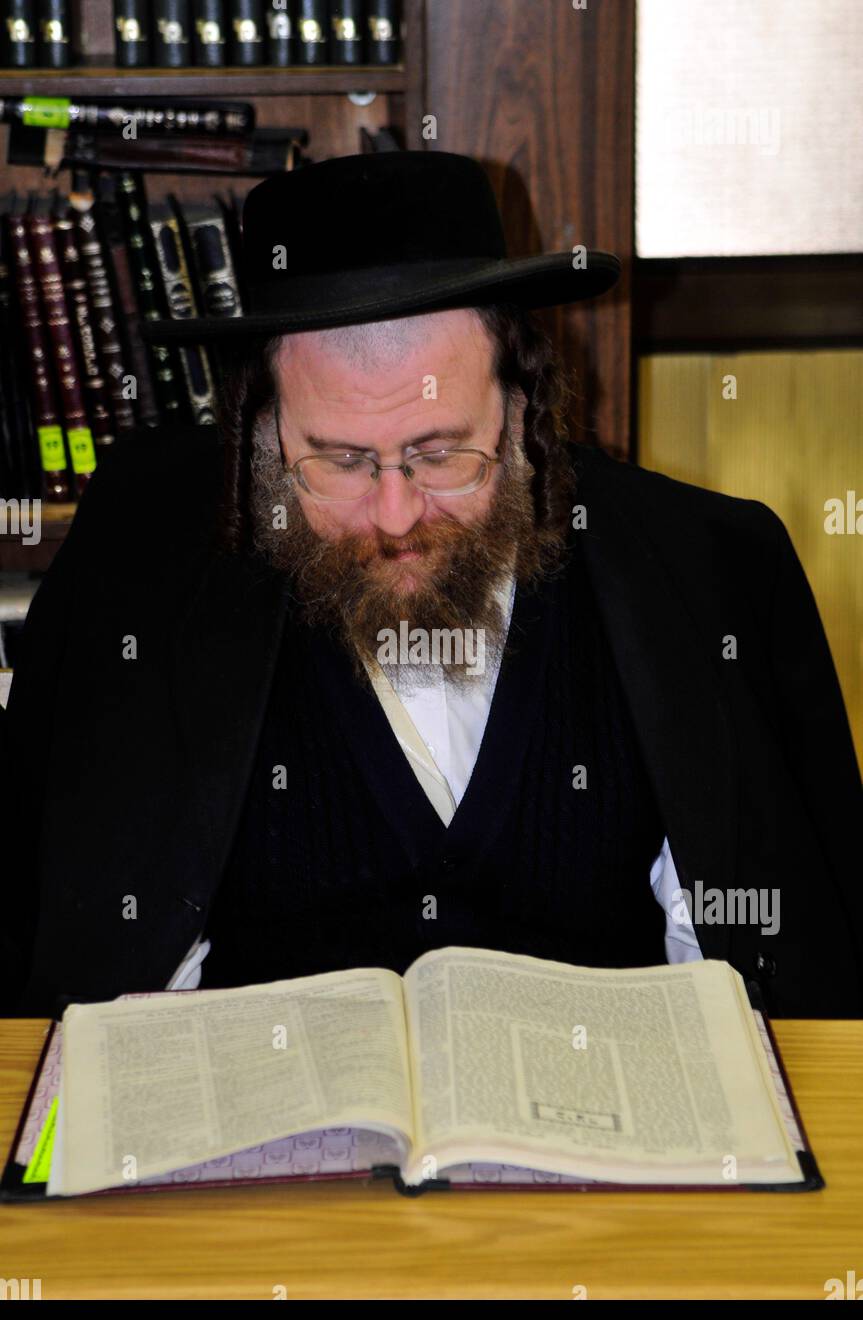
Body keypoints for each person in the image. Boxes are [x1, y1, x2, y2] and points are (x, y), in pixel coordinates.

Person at [2, 151, 861, 1019]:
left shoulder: (706, 569)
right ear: (261, 435)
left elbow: (766, 992)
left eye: (441, 452)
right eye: (337, 460)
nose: (395, 513)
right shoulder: (138, 572)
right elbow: (89, 977)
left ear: (522, 407)